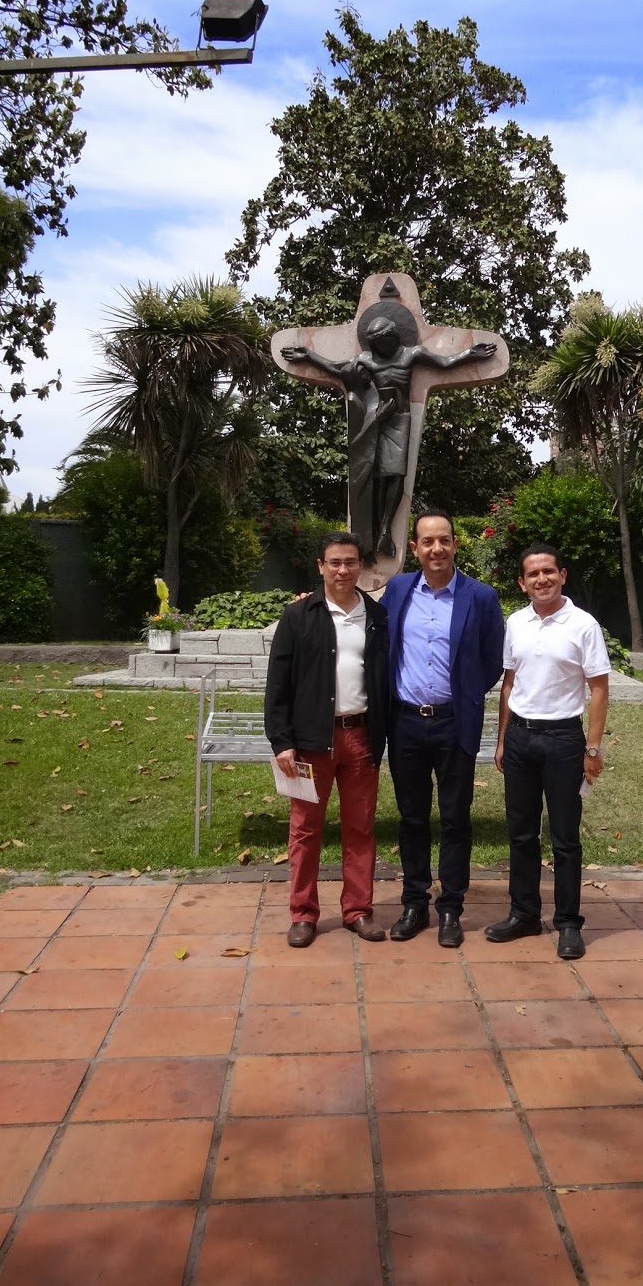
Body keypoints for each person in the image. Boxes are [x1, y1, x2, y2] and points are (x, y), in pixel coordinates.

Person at [281, 295, 496, 563]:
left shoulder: (412, 354)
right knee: (378, 477)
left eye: (386, 340)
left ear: (394, 336)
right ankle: (375, 535)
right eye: (378, 343)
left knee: (397, 475)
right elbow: (338, 369)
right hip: (378, 420)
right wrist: (308, 356)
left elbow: (444, 363)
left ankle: (385, 531)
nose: (383, 346)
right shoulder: (367, 360)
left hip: (400, 419)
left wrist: (470, 354)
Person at [382, 510, 505, 947]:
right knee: (412, 818)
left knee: (455, 820)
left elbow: (494, 659)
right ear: (415, 548)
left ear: (455, 544)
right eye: (427, 541)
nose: (437, 549)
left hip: (455, 723)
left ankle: (451, 907)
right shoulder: (397, 590)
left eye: (444, 540)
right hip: (405, 724)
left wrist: (467, 693)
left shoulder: (481, 597)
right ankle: (414, 903)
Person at [264, 531, 390, 948]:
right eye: (334, 562)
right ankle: (303, 914)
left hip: (361, 739)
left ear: (361, 567)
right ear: (320, 566)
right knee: (304, 830)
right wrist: (281, 741)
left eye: (350, 562)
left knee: (360, 828)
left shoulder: (377, 616)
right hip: (310, 742)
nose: (342, 570)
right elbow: (278, 684)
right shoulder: (299, 616)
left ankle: (358, 910)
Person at [487, 544, 610, 960]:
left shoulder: (583, 625)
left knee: (564, 837)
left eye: (548, 572)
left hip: (563, 740)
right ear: (522, 583)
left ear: (562, 575)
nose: (541, 579)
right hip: (520, 739)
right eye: (533, 574)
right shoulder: (515, 623)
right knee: (521, 833)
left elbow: (599, 689)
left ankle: (568, 922)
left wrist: (592, 748)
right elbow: (509, 683)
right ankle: (523, 914)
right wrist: (503, 739)